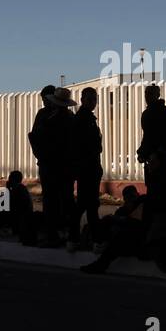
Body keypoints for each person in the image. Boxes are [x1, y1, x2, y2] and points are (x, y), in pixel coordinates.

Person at [29, 85, 76, 247]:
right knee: (65, 199)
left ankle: (54, 234)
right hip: (64, 166)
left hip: (51, 165)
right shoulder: (70, 118)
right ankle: (67, 233)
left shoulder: (47, 118)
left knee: (52, 200)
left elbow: (36, 138)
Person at [69, 87, 103, 248]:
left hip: (87, 168)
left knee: (86, 205)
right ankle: (94, 240)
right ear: (82, 100)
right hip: (87, 168)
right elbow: (87, 145)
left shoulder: (85, 118)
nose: (93, 102)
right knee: (89, 205)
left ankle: (75, 239)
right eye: (90, 99)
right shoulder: (83, 119)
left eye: (94, 99)